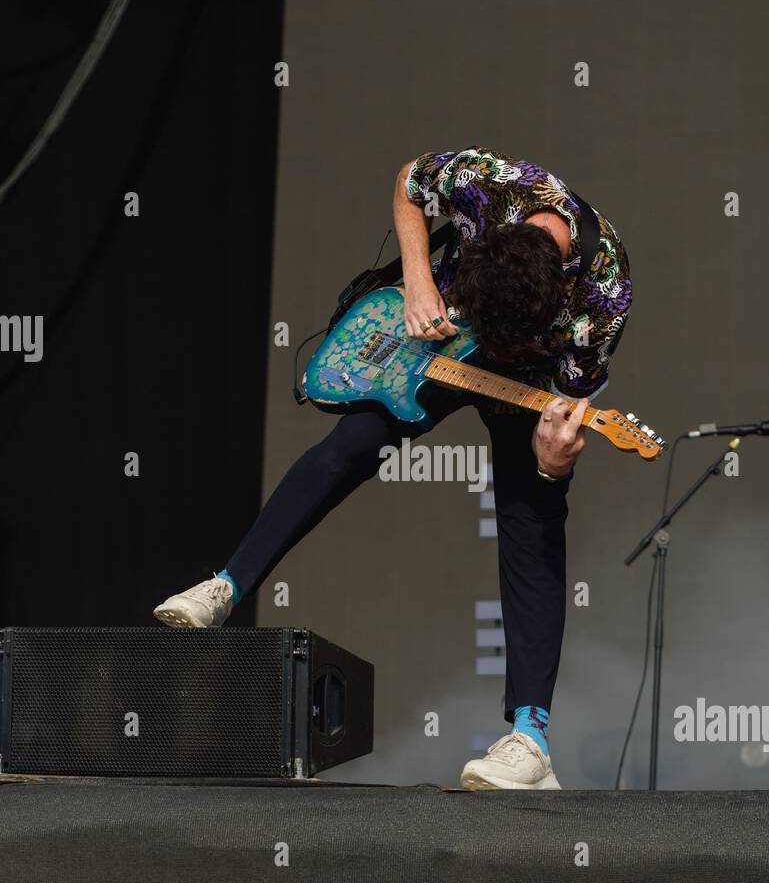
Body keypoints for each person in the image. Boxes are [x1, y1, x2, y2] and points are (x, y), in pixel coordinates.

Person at [154, 147, 632, 791]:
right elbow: (410, 179)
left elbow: (570, 397)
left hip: (529, 378)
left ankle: (530, 736)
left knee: (534, 508)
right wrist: (419, 279)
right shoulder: (492, 182)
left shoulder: (605, 292)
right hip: (443, 330)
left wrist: (557, 462)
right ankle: (226, 586)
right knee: (351, 445)